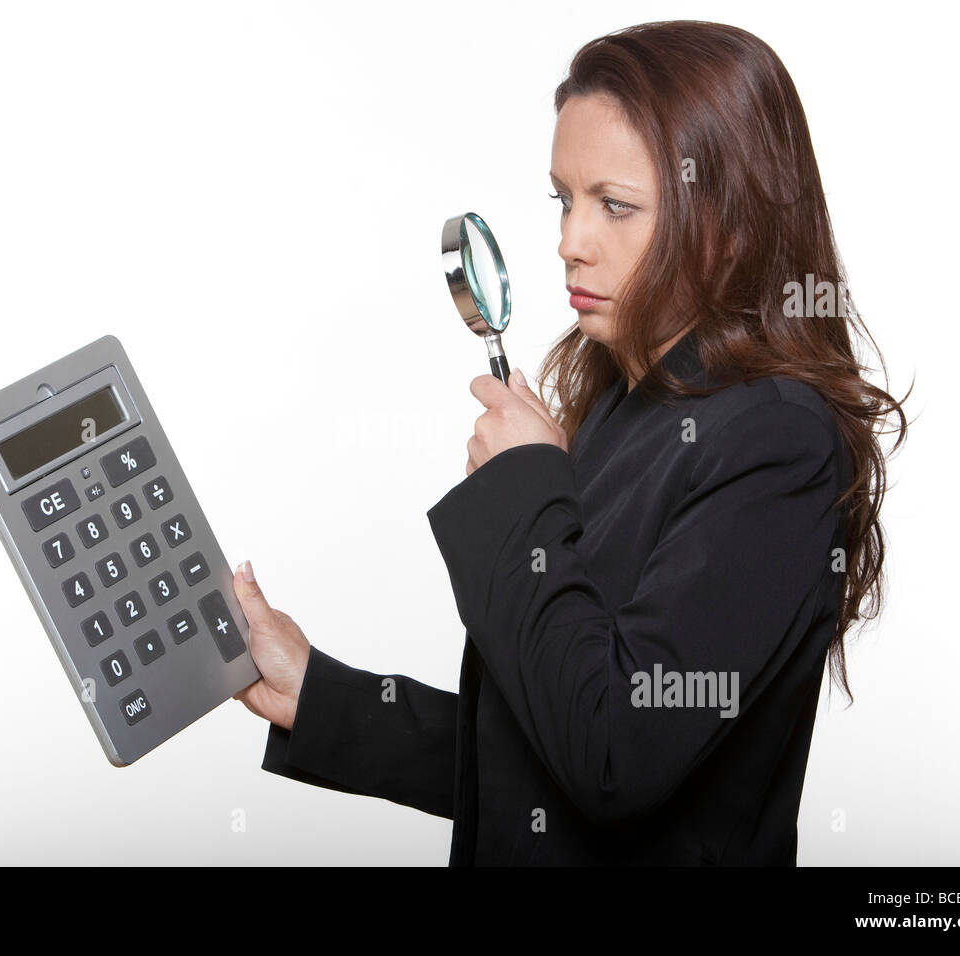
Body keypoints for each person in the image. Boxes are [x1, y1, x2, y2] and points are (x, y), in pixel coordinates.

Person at [230, 19, 909, 865]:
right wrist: (320, 696)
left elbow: (614, 756)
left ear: (732, 226)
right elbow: (539, 762)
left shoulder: (778, 440)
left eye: (615, 205)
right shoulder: (626, 410)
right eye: (564, 199)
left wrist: (523, 495)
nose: (569, 242)